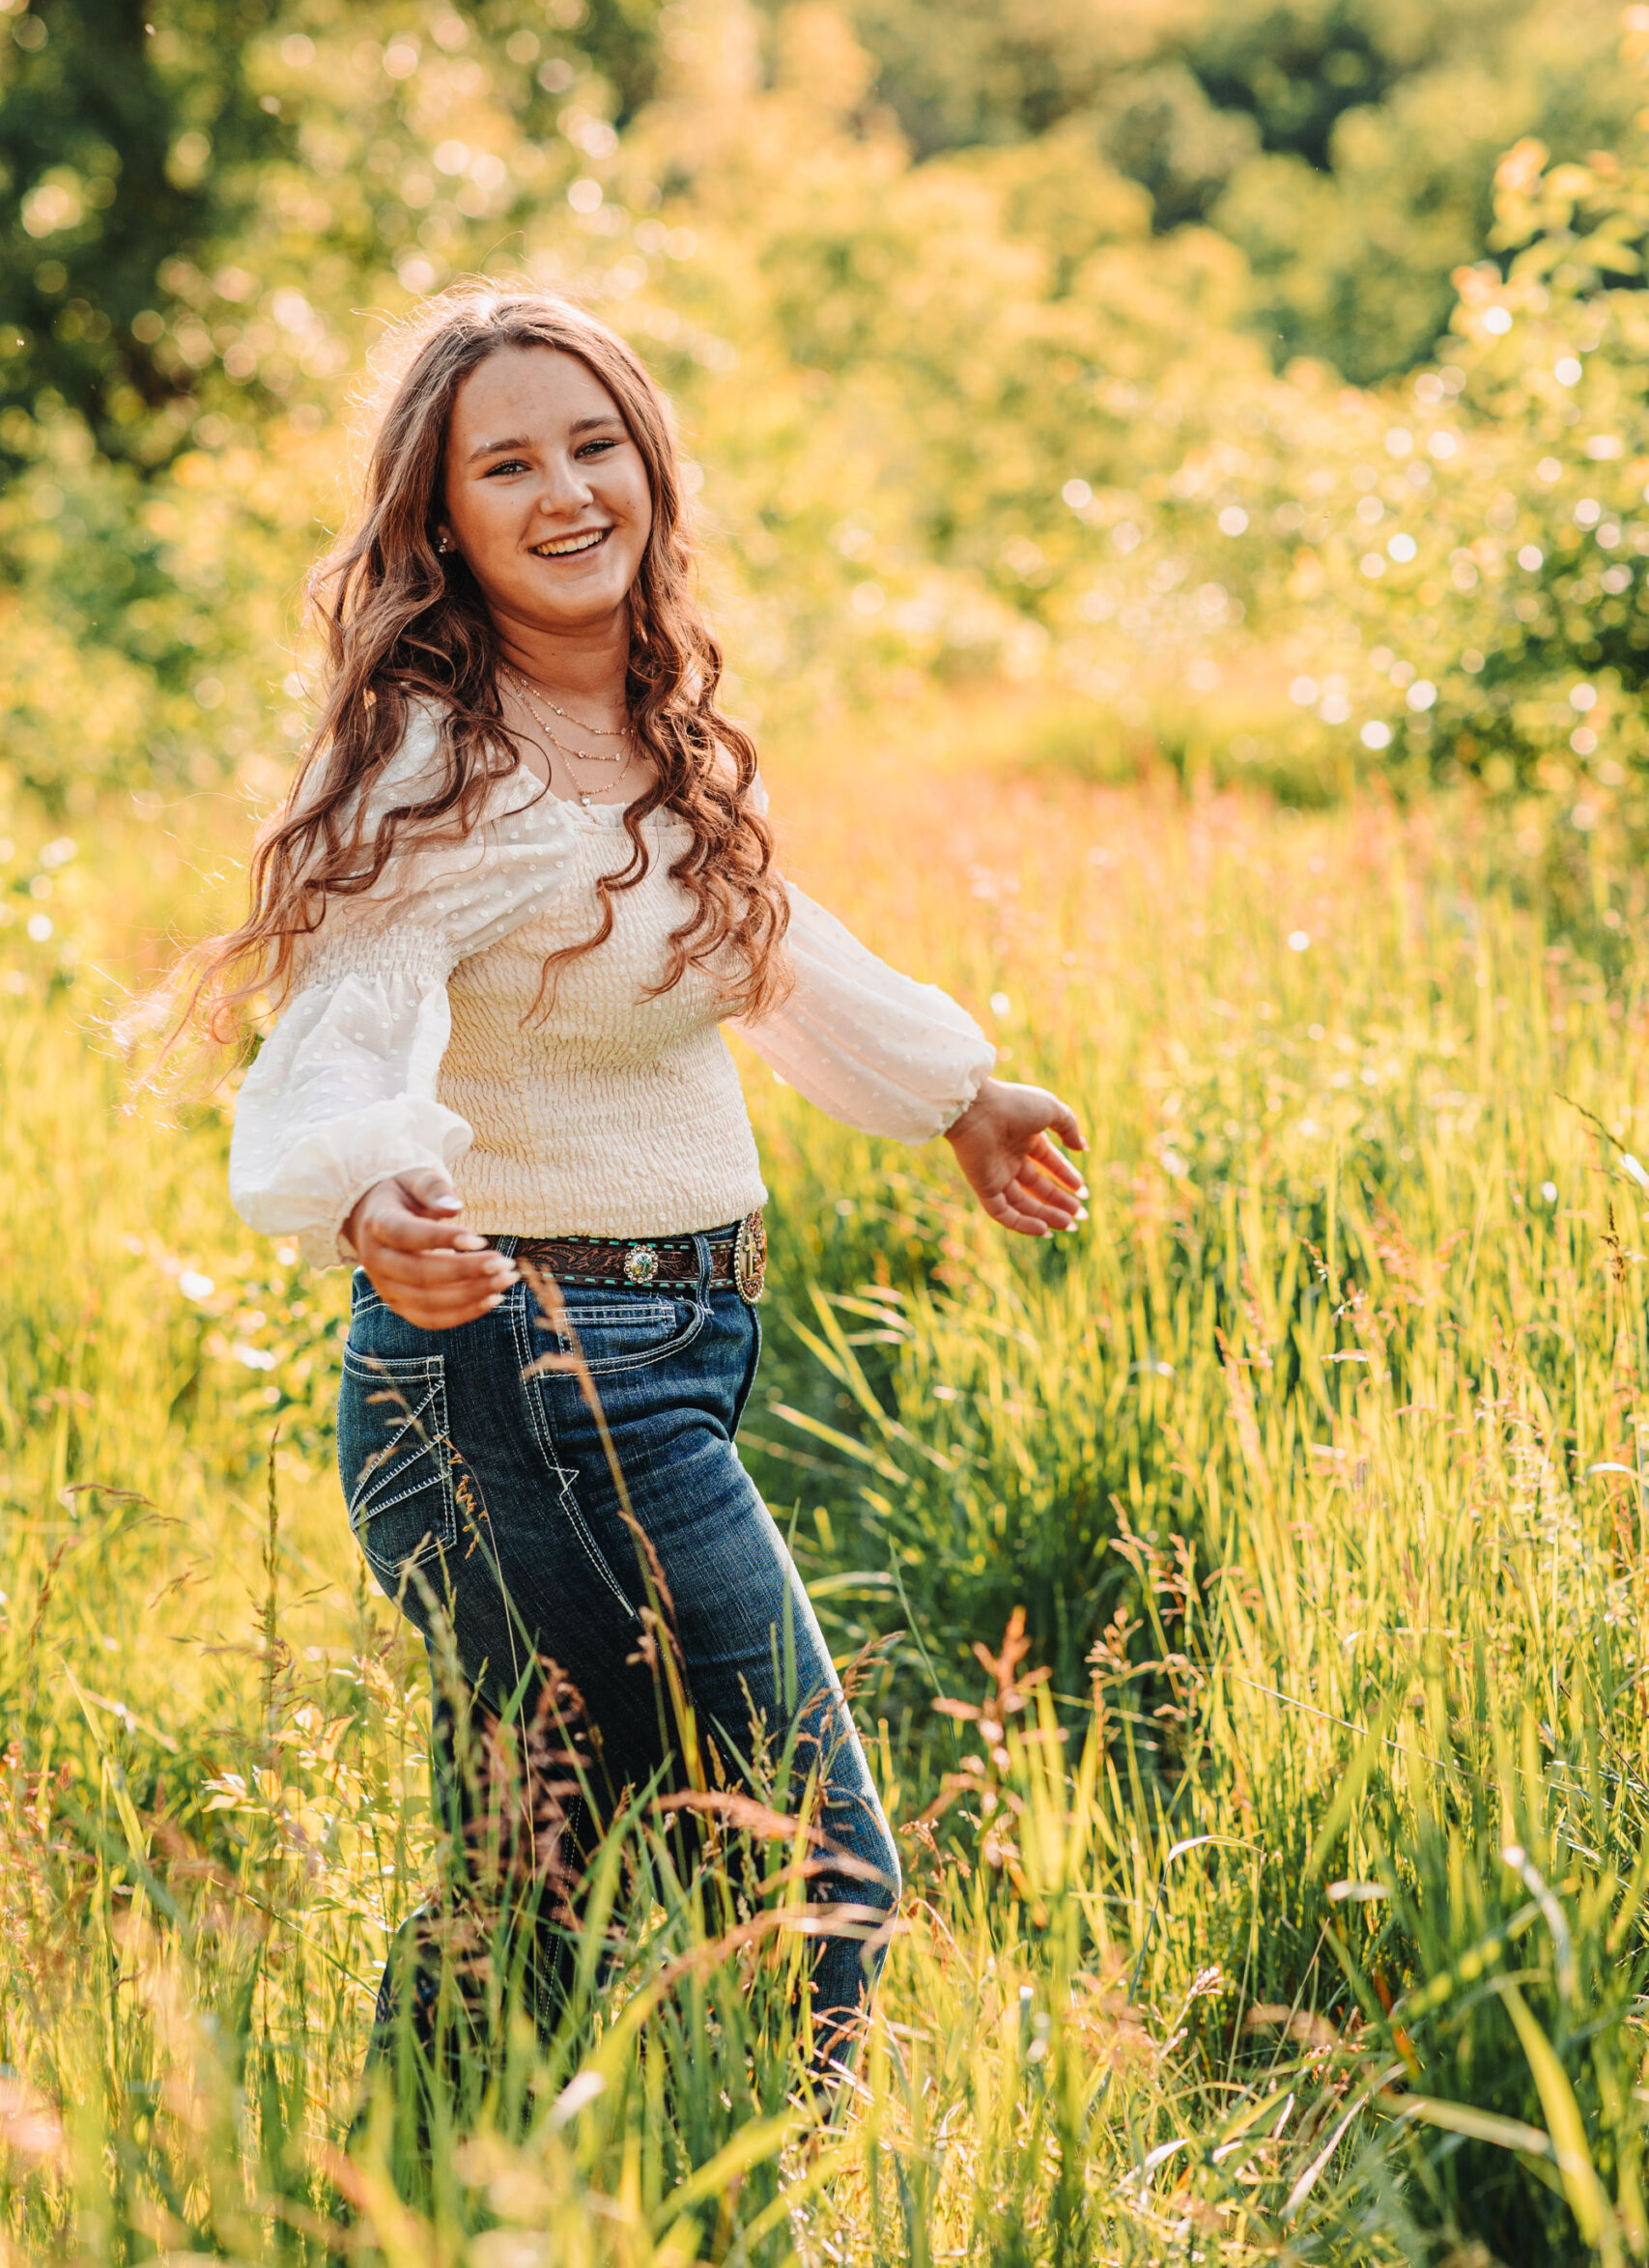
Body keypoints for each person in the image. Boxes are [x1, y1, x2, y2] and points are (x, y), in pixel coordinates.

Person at [202, 286, 1087, 2095]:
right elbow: (343, 1033)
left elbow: (771, 946)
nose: (565, 490)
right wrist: (374, 1196)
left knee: (539, 1866)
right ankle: (775, 2199)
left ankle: (421, 2199)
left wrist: (959, 1095)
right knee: (816, 1871)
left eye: (594, 444)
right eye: (505, 464)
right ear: (440, 520)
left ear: (653, 467)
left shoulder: (648, 729)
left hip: (644, 1349)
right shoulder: (442, 763)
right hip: (528, 1366)